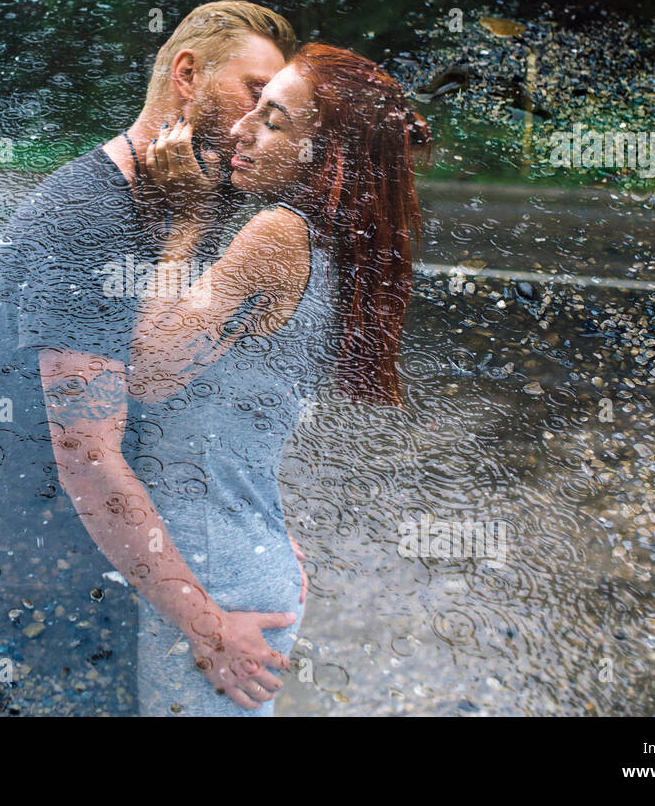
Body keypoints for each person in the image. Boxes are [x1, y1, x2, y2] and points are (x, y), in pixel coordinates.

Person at [0, 0, 299, 715]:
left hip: (124, 574)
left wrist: (259, 531)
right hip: (48, 584)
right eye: (251, 92)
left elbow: (201, 404)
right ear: (186, 75)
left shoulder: (184, 202)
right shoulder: (88, 214)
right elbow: (88, 452)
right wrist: (210, 631)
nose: (257, 122)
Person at [113, 41, 431, 714]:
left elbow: (145, 372)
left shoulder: (276, 234)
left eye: (275, 119)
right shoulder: (335, 238)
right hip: (235, 561)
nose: (241, 128)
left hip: (216, 585)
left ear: (329, 153)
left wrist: (187, 221)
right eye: (253, 106)